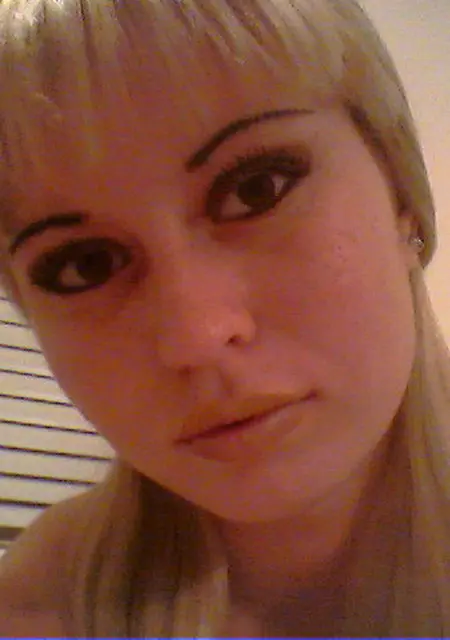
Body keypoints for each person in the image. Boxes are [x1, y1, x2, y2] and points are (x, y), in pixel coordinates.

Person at [0, 0, 448, 636]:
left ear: (401, 197)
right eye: (85, 265)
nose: (197, 336)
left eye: (257, 189)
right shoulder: (32, 613)